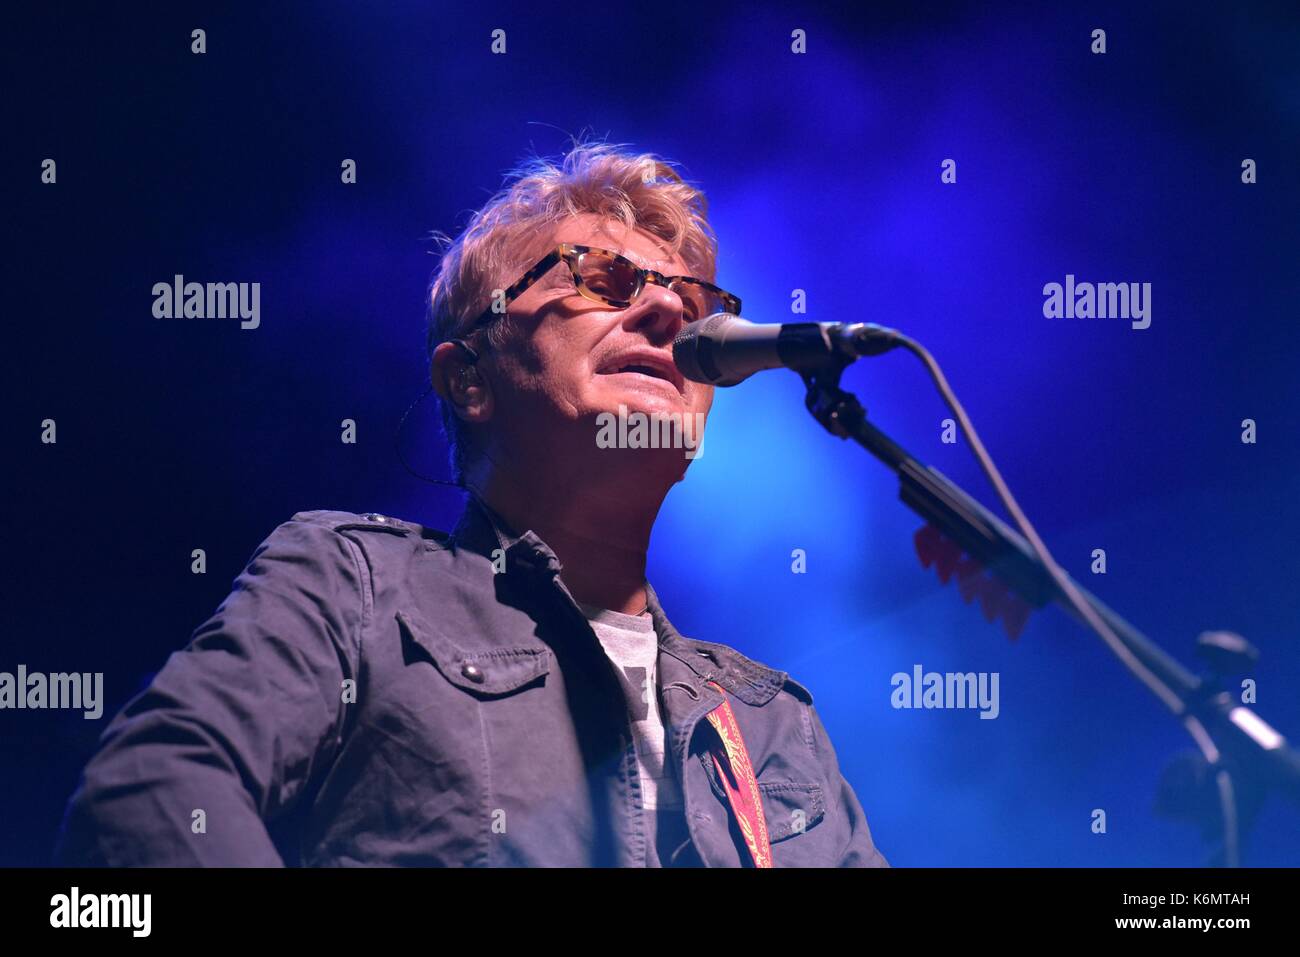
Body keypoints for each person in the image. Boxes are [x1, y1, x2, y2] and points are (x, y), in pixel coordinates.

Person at [54, 141, 888, 867]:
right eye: (606, 278)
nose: (672, 309)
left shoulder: (773, 723)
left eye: (693, 301)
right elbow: (146, 797)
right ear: (470, 379)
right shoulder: (356, 589)